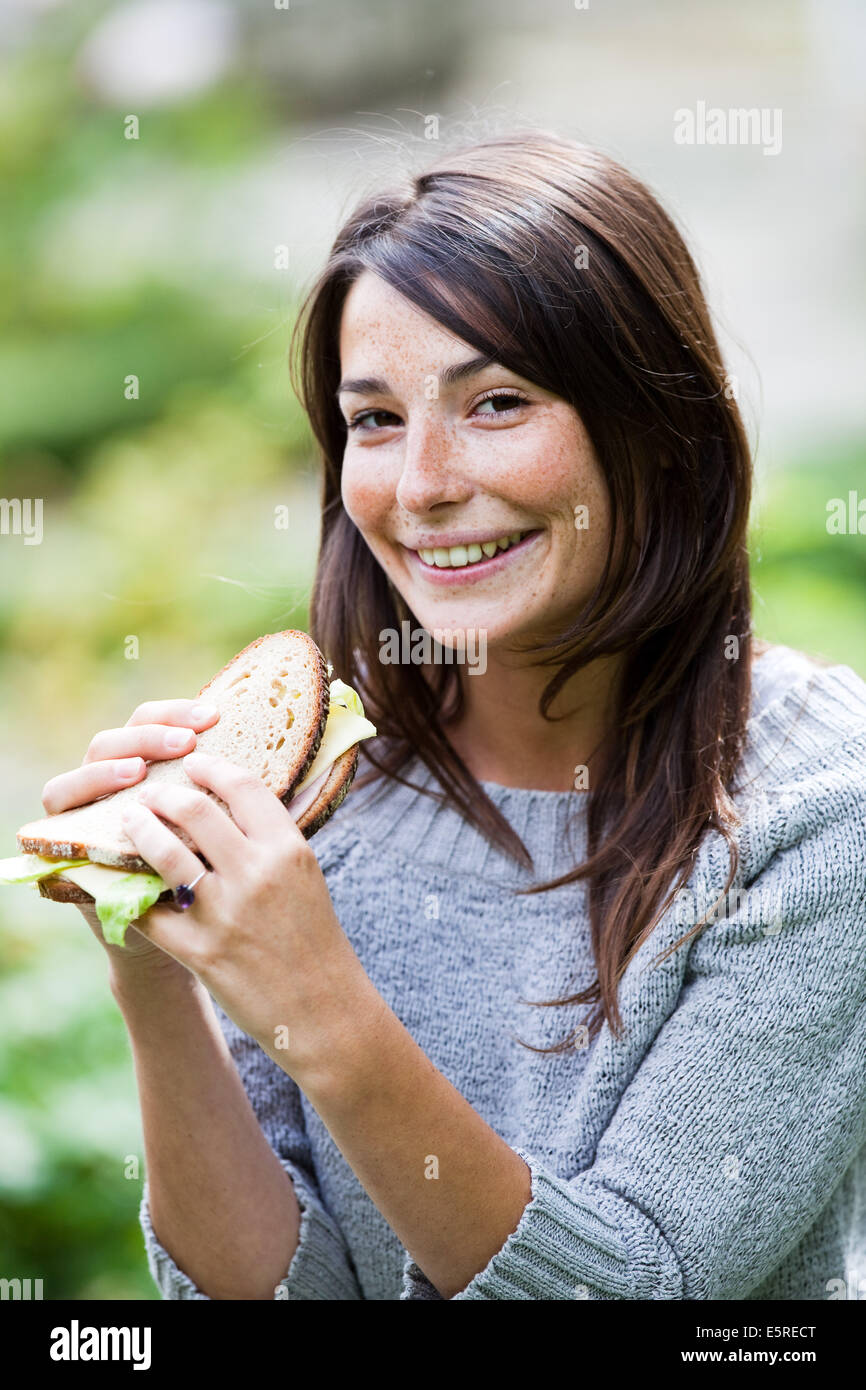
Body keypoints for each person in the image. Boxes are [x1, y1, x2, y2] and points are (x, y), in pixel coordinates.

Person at [44, 132, 866, 1300]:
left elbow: (637, 1291)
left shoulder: (817, 807)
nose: (421, 484)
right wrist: (153, 971)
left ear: (655, 423)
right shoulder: (321, 778)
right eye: (373, 421)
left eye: (495, 402)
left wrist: (322, 1004)